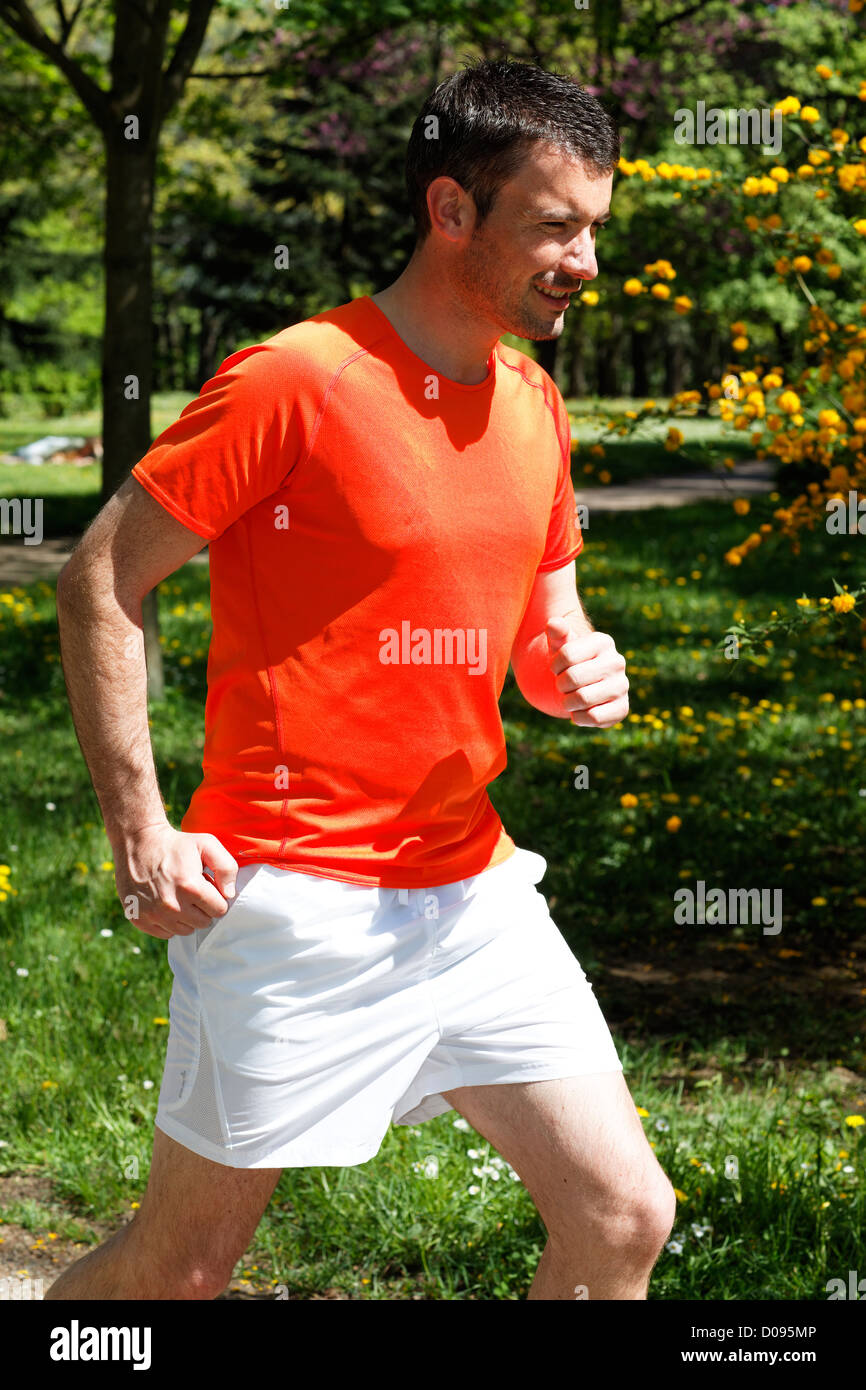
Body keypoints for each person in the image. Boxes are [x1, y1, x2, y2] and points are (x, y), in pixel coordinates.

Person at [49, 56, 675, 1302]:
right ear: (451, 210)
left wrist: (573, 670)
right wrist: (141, 828)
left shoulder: (534, 402)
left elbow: (544, 640)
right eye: (553, 226)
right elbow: (99, 579)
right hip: (294, 900)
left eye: (593, 228)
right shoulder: (298, 377)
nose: (585, 263)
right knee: (180, 1272)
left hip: (474, 892)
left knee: (622, 1218)